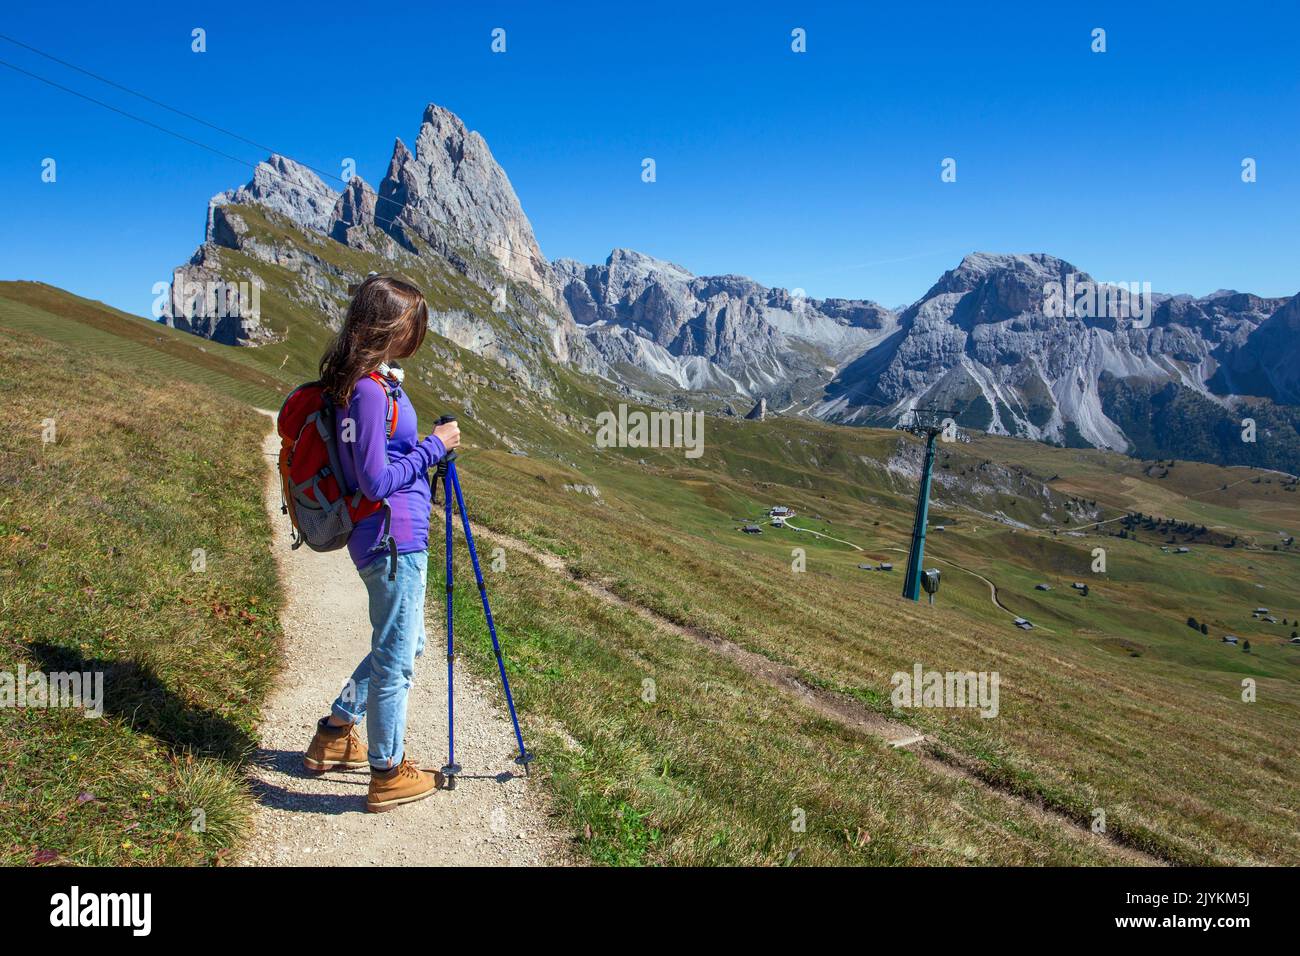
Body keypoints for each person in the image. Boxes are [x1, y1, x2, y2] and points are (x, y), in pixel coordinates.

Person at [301, 274, 461, 812]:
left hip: (391, 537)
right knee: (397, 659)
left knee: (404, 645)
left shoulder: (367, 385)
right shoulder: (369, 391)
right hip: (392, 539)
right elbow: (374, 481)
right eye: (412, 324)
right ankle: (386, 772)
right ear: (388, 327)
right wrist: (433, 449)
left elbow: (378, 464)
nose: (418, 336)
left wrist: (419, 450)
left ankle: (335, 732)